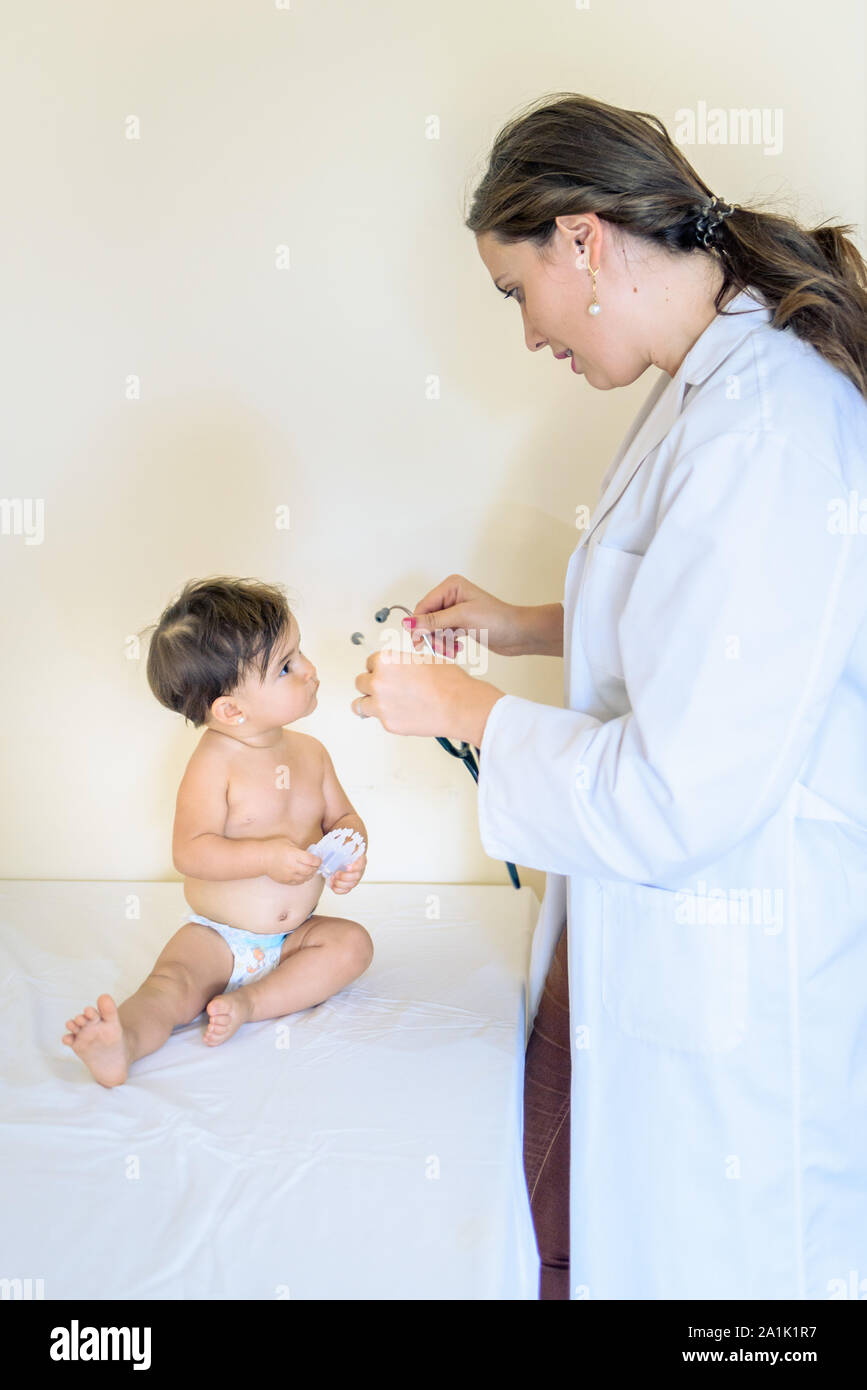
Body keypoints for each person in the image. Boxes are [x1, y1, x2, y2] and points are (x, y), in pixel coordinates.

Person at [351, 93, 867, 1299]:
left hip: (740, 948)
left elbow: (680, 790)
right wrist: (521, 625)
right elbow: (704, 628)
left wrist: (460, 711)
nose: (528, 334)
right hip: (673, 934)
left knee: (734, 1288)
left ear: (582, 240)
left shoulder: (769, 422)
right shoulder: (709, 386)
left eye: (512, 289)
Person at [62, 576, 372, 1087]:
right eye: (287, 666)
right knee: (171, 984)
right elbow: (191, 851)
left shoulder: (311, 753)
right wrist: (266, 857)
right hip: (218, 938)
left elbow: (343, 818)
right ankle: (124, 1042)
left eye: (301, 653)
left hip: (296, 936)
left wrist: (352, 850)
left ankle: (250, 1002)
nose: (310, 670)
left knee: (352, 946)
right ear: (230, 709)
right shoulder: (214, 764)